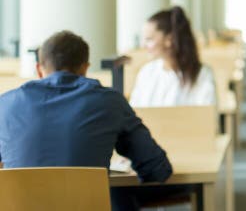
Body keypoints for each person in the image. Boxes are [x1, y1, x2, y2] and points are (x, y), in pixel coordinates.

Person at [0, 31, 173, 209]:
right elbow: (157, 169)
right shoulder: (109, 101)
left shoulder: (5, 104)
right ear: (85, 68)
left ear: (39, 69)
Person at [129, 6, 216, 107]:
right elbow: (134, 113)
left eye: (149, 39)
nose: (143, 45)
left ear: (169, 40)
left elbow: (206, 117)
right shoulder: (146, 72)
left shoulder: (202, 74)